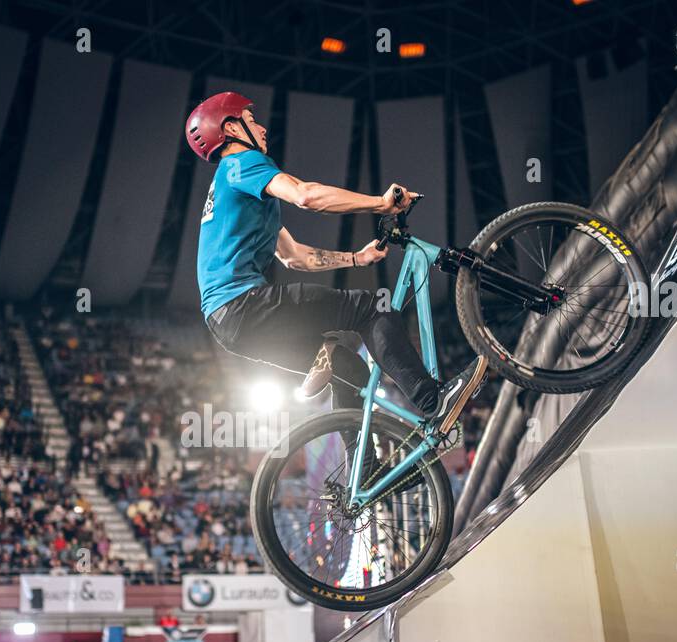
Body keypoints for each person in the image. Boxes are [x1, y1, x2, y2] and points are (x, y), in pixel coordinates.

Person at [185, 91, 480, 422]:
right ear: (233, 130)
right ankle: (432, 400)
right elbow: (306, 195)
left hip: (228, 325)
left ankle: (362, 471)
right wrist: (380, 203)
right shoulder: (240, 163)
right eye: (252, 121)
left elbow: (295, 257)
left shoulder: (240, 192)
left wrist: (357, 258)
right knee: (371, 309)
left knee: (347, 367)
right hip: (244, 305)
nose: (264, 128)